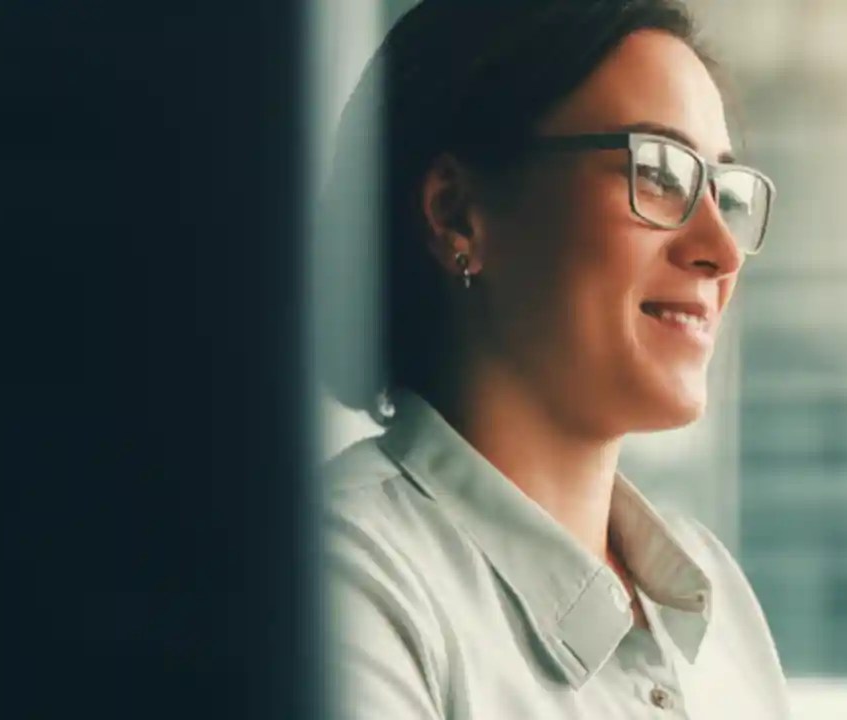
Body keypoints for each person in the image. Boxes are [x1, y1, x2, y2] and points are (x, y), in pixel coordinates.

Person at [320, 0, 788, 716]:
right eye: (658, 173)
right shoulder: (346, 583)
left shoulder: (717, 603)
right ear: (456, 212)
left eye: (723, 191)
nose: (720, 252)